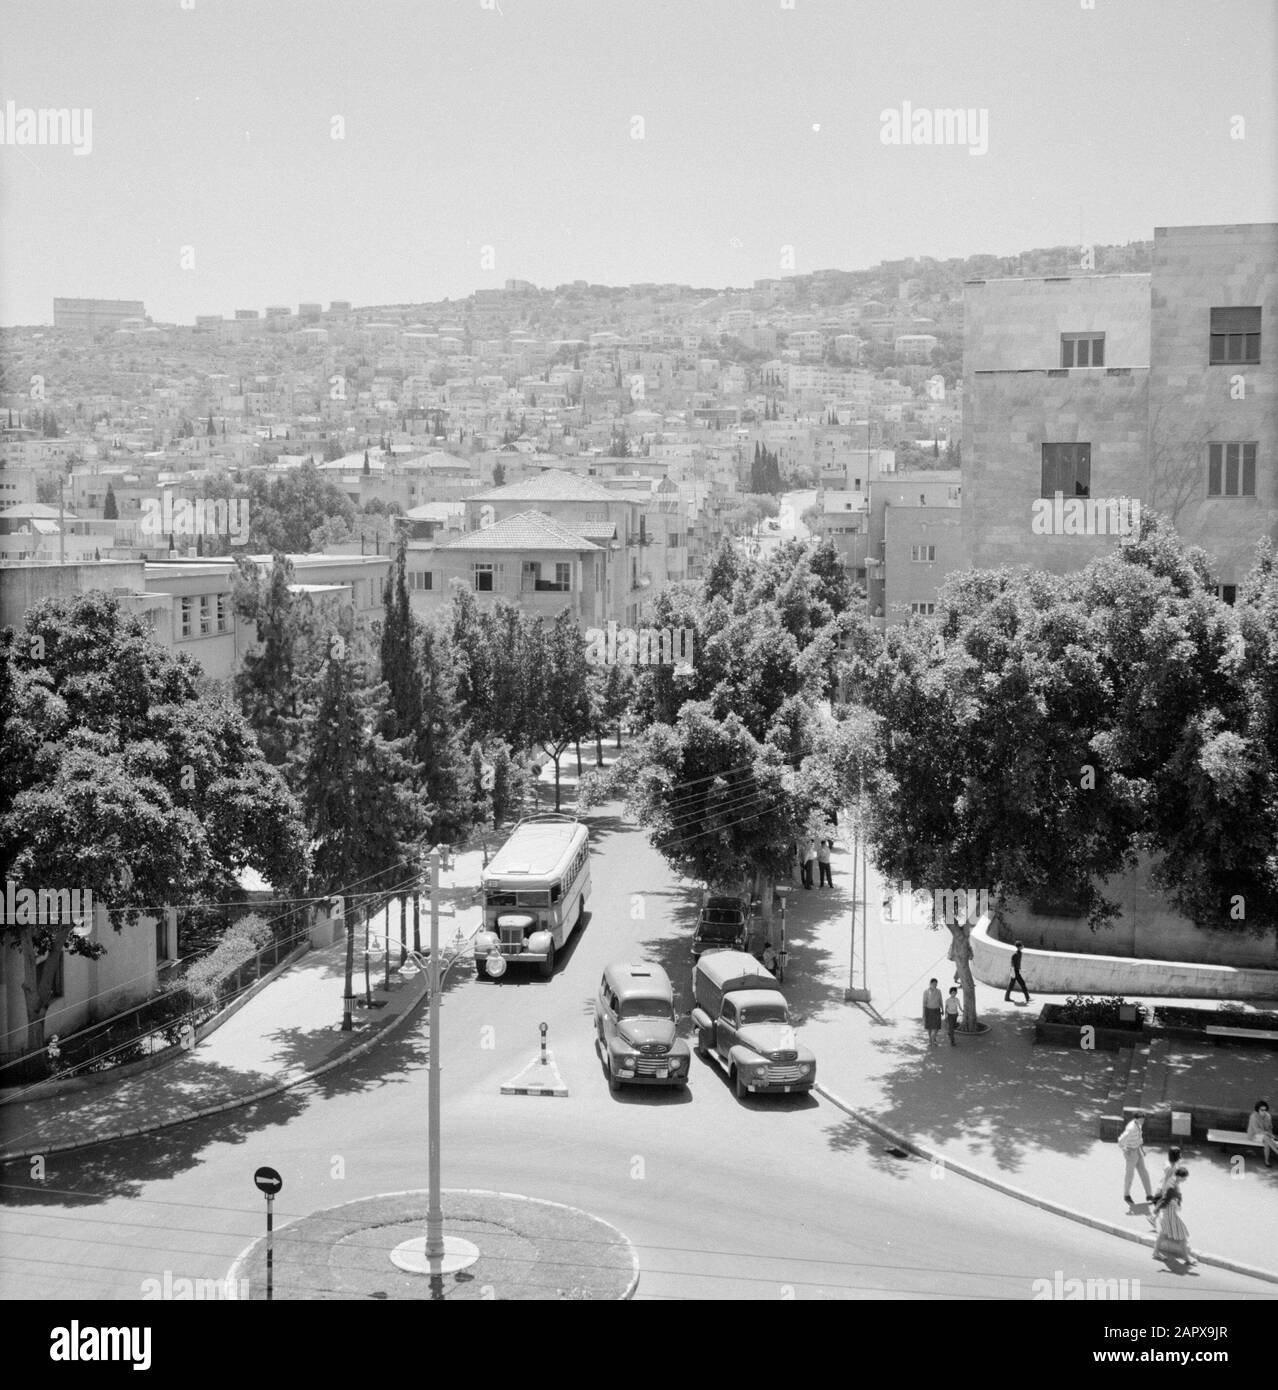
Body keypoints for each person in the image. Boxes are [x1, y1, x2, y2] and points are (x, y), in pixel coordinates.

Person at [1152, 1166, 1193, 1265]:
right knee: (1182, 1234)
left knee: (1164, 1233)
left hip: (1170, 1212)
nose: (1185, 1180)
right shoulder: (1172, 1186)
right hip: (1170, 1213)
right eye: (1184, 1178)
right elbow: (1166, 1199)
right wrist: (1157, 1210)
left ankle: (1155, 1253)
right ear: (1179, 1176)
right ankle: (1187, 1259)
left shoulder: (1173, 1181)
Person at [1118, 1114, 1156, 1207]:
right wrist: (1125, 1150)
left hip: (1137, 1151)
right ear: (1136, 1119)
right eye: (1141, 1119)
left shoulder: (1138, 1125)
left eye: (1143, 1119)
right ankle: (1126, 1195)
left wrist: (1142, 1150)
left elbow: (1139, 1138)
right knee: (1130, 1175)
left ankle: (1149, 1195)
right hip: (1131, 1153)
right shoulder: (1131, 1128)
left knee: (1144, 1173)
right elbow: (1121, 1140)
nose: (1143, 1121)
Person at [1247, 1100, 1278, 1167]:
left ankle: (1266, 1161)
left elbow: (1270, 1127)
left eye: (1265, 1110)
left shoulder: (1268, 1116)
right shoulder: (1253, 1116)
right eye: (1262, 1110)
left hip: (1265, 1135)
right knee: (1266, 1138)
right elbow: (1256, 1130)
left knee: (1267, 1142)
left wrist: (1270, 1134)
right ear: (1258, 1109)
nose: (1264, 1111)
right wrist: (1268, 1134)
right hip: (1254, 1135)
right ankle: (1276, 1151)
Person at [1004, 940, 1031, 1004]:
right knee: (1022, 983)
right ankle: (1027, 998)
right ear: (1019, 947)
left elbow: (1018, 963)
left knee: (1012, 985)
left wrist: (1020, 969)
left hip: (1017, 971)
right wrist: (1013, 972)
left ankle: (1006, 997)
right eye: (1021, 945)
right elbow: (1012, 964)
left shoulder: (1019, 953)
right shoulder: (1015, 954)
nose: (1023, 946)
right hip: (1015, 972)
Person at [922, 978, 943, 1048]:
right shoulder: (926, 992)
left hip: (937, 1010)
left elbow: (940, 1000)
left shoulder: (939, 991)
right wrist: (923, 1013)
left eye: (936, 984)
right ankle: (931, 1040)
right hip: (928, 1010)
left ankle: (933, 1038)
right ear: (930, 984)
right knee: (929, 1027)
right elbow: (924, 1003)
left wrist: (942, 1009)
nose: (935, 985)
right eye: (933, 984)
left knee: (936, 1027)